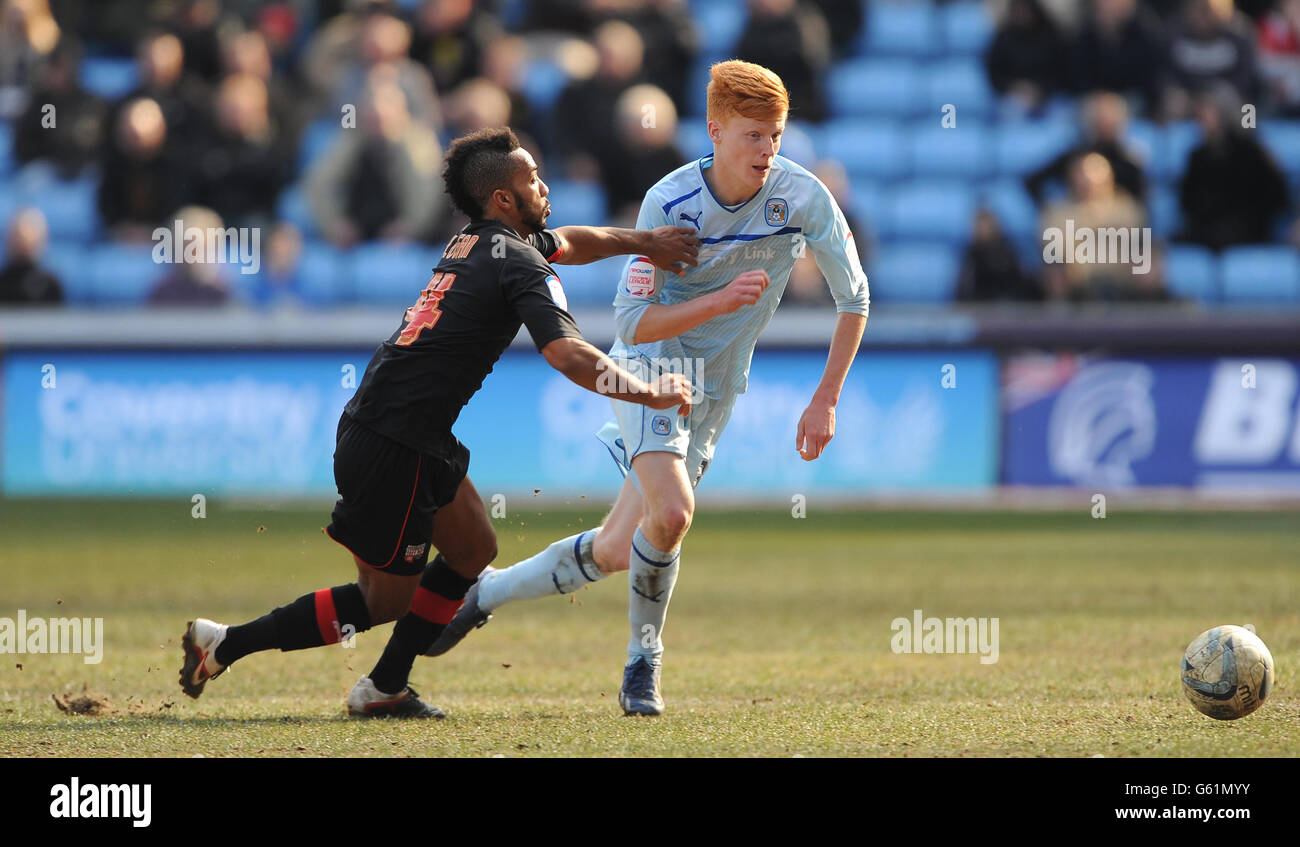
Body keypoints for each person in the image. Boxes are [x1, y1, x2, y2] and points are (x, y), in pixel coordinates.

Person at [179, 127, 702, 717]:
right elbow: (567, 352)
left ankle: (384, 686)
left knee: (474, 547)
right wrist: (646, 393)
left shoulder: (478, 244)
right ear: (503, 199)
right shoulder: (520, 264)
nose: (544, 184)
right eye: (532, 178)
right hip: (391, 442)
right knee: (383, 602)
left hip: (412, 432)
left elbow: (576, 240)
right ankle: (227, 643)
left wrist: (644, 242)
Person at [430, 60, 871, 717]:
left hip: (715, 391)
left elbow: (854, 297)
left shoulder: (802, 198)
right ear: (716, 132)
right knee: (672, 513)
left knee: (615, 548)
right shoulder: (670, 202)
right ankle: (643, 665)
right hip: (652, 372)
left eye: (775, 135)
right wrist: (720, 301)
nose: (767, 150)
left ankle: (485, 594)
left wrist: (826, 397)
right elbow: (633, 321)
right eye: (753, 135)